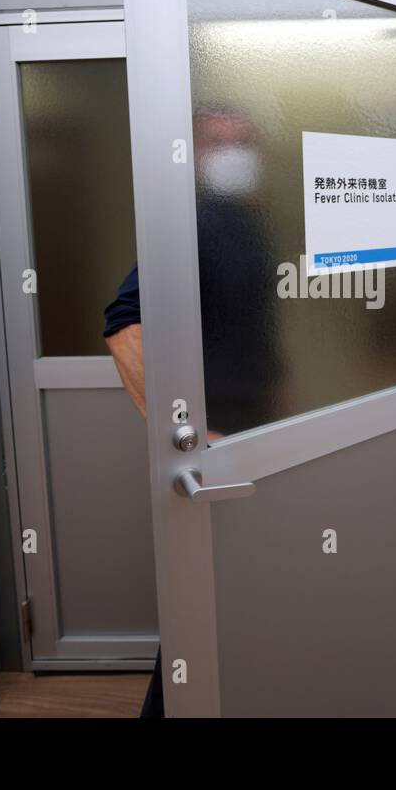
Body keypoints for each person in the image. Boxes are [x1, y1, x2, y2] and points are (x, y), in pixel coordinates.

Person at [103, 107, 284, 717]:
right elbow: (123, 325)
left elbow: (251, 329)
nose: (234, 153)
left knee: (242, 585)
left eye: (243, 139)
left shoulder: (248, 220)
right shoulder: (194, 222)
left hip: (257, 423)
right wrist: (184, 434)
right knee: (201, 590)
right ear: (198, 155)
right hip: (216, 442)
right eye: (220, 142)